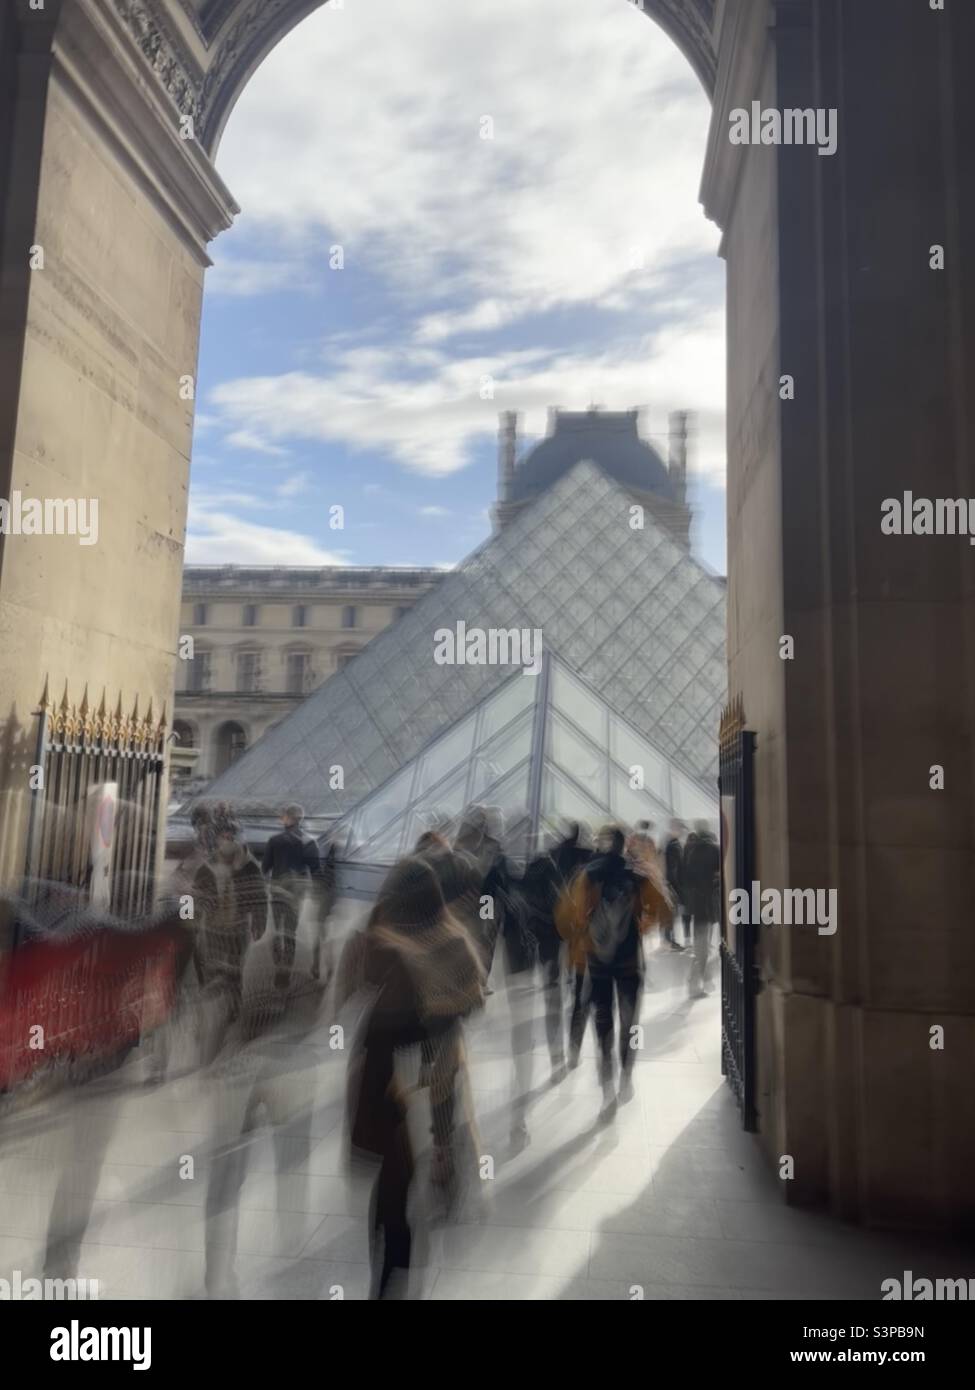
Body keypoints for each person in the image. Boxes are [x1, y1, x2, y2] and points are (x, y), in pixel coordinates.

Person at [336, 856, 484, 1298]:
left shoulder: (373, 942)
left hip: (384, 1081)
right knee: (407, 1188)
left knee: (391, 1191)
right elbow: (471, 1004)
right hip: (434, 1073)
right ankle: (397, 1277)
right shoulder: (454, 942)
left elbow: (346, 996)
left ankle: (386, 1280)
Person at [557, 824, 668, 1112]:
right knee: (630, 1023)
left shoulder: (589, 875)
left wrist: (582, 935)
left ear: (605, 845)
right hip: (630, 961)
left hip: (598, 961)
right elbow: (667, 908)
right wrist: (642, 926)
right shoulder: (640, 875)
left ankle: (606, 1085)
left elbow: (566, 915)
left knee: (603, 1020)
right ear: (625, 846)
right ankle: (626, 1078)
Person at [192, 814, 267, 1058]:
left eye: (231, 837)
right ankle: (210, 1015)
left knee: (234, 970)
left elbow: (259, 897)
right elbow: (194, 897)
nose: (227, 840)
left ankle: (233, 1013)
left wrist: (260, 921)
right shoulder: (207, 867)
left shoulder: (249, 866)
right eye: (224, 837)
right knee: (213, 970)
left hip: (237, 929)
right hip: (213, 929)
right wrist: (189, 919)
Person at [262, 803, 321, 988]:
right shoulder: (309, 842)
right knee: (290, 933)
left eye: (283, 815)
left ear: (288, 818)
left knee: (276, 931)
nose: (281, 818)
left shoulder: (274, 841)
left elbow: (265, 869)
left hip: (278, 891)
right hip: (296, 895)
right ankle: (284, 973)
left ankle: (278, 964)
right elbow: (316, 871)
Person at [683, 820, 721, 998]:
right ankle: (697, 982)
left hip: (696, 903)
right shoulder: (715, 850)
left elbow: (682, 875)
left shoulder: (689, 849)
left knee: (701, 944)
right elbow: (721, 876)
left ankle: (700, 981)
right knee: (705, 946)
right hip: (710, 903)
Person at [663, 819, 689, 951]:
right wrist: (678, 888)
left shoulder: (672, 844)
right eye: (680, 828)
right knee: (672, 914)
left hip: (671, 884)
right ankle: (670, 940)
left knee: (672, 914)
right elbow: (673, 869)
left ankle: (669, 939)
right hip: (673, 885)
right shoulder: (673, 845)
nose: (682, 832)